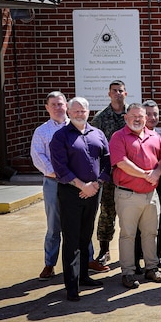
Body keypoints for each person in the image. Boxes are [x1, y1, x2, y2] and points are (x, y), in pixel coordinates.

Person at [33, 92, 105, 280]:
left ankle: (86, 261)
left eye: (61, 104)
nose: (58, 108)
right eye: (53, 105)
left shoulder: (81, 126)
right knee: (54, 224)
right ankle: (50, 263)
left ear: (67, 106)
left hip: (82, 185)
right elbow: (38, 157)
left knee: (83, 225)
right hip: (54, 182)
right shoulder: (42, 131)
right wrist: (64, 175)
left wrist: (85, 184)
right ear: (47, 108)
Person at [49, 97, 110, 302]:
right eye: (75, 110)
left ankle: (84, 276)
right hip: (70, 193)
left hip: (93, 191)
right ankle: (72, 286)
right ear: (69, 111)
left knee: (86, 236)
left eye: (82, 110)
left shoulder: (97, 134)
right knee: (72, 239)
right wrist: (81, 186)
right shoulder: (60, 136)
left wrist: (96, 184)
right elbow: (60, 168)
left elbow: (107, 161)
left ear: (88, 111)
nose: (79, 113)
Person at [109, 103, 161, 289]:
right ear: (126, 118)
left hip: (151, 195)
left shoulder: (154, 136)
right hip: (128, 195)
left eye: (141, 117)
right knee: (128, 235)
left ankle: (152, 268)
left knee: (151, 233)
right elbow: (121, 162)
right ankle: (128, 272)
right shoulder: (119, 137)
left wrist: (156, 173)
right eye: (133, 116)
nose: (137, 119)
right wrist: (145, 174)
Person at [90, 79, 127, 266]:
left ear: (125, 93)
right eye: (114, 91)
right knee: (107, 213)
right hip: (110, 174)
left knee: (132, 213)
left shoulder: (133, 114)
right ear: (109, 94)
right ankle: (104, 250)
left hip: (131, 174)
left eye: (120, 90)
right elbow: (94, 145)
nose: (117, 93)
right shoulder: (100, 118)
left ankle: (136, 252)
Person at [135, 100, 161, 271]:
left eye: (155, 114)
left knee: (160, 220)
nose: (152, 117)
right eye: (148, 114)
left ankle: (157, 256)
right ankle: (136, 260)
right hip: (138, 184)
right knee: (137, 224)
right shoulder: (133, 134)